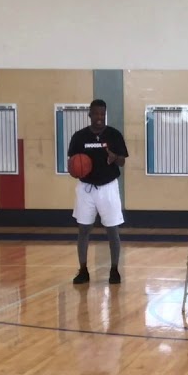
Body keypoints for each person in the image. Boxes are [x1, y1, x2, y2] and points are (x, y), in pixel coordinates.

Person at [68, 99, 129, 285]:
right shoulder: (79, 137)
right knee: (83, 229)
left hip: (108, 187)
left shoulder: (114, 135)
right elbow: (72, 164)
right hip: (86, 188)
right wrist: (76, 169)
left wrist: (115, 157)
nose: (99, 117)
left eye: (102, 114)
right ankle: (83, 270)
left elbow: (122, 162)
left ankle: (114, 270)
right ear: (90, 114)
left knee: (112, 230)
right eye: (96, 113)